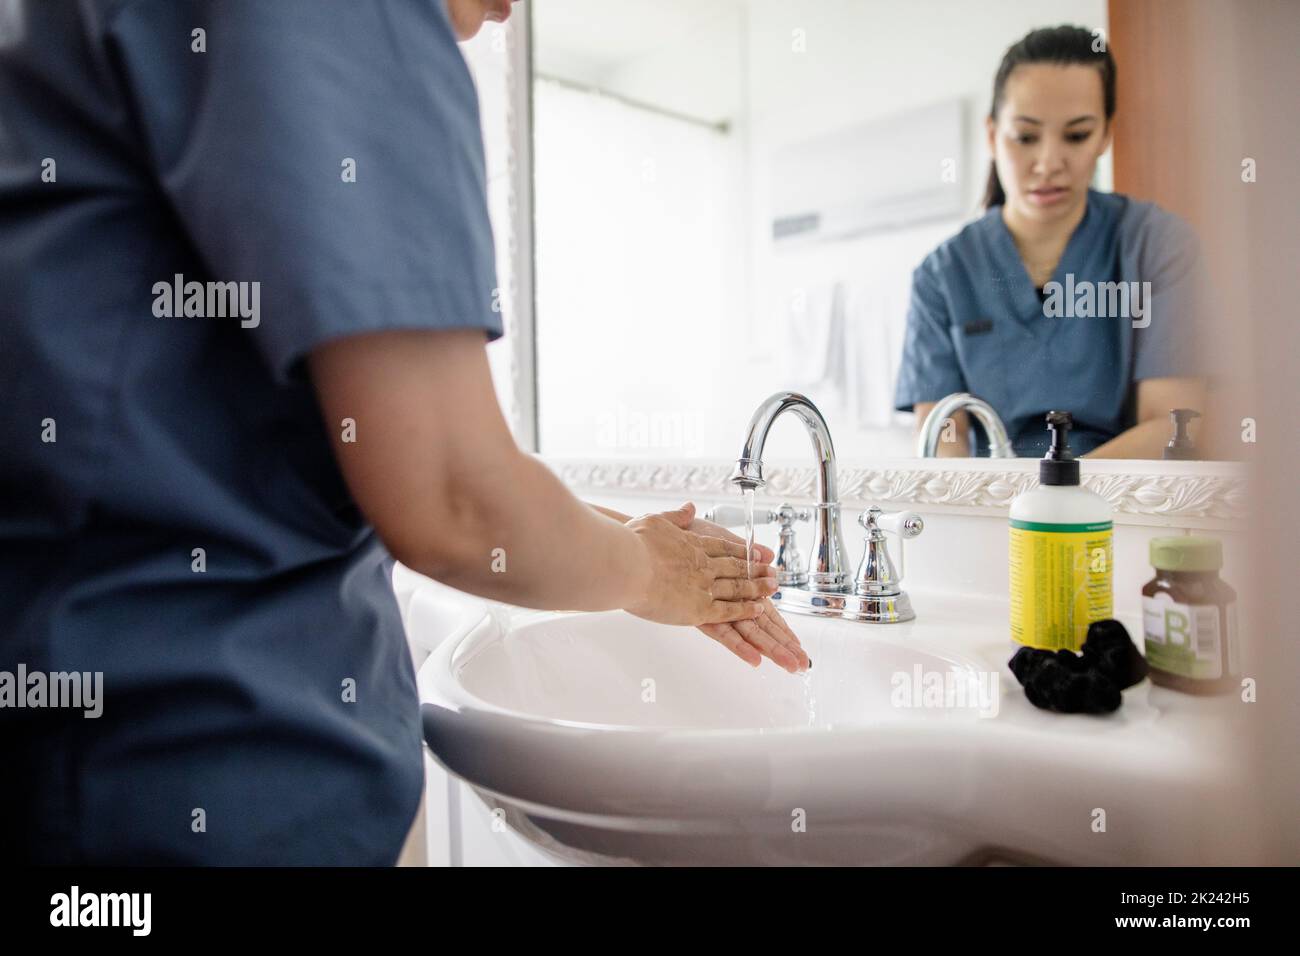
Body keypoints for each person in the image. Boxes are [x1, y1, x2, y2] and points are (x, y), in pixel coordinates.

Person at [0, 0, 806, 865]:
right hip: (208, 789)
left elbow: (326, 442)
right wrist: (649, 573)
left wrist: (628, 538)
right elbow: (457, 498)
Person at [894, 25, 1208, 459]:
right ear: (991, 136)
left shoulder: (1158, 246)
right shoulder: (943, 275)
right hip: (994, 513)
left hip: (1124, 509)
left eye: (1076, 135)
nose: (1048, 163)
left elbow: (1172, 427)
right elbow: (943, 442)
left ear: (1104, 135)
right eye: (1025, 137)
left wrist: (1057, 498)